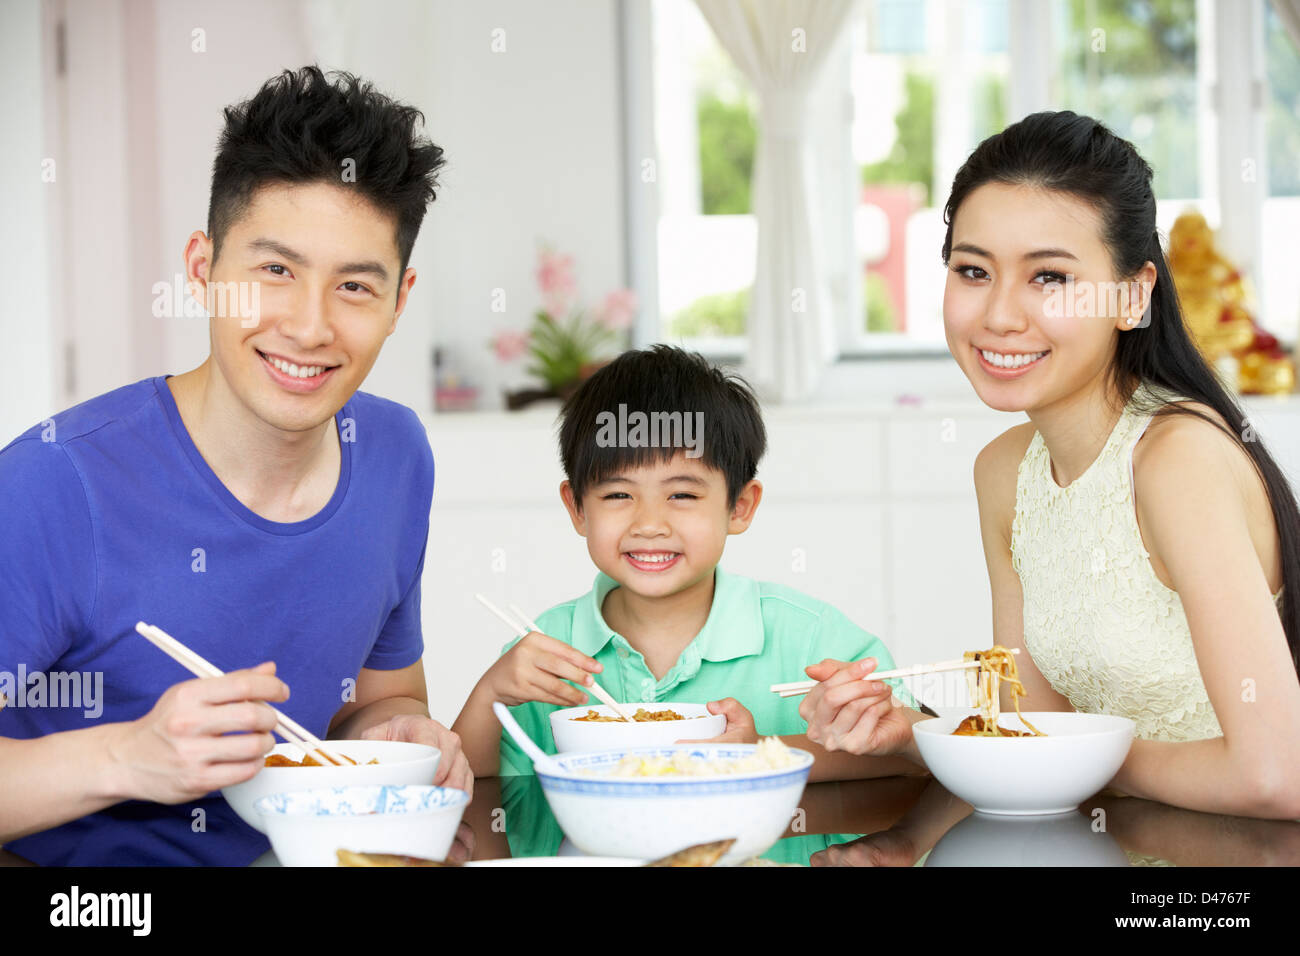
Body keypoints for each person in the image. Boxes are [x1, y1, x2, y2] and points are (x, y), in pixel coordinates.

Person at [0, 65, 472, 866]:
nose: (311, 326)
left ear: (399, 301)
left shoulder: (394, 456)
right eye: (275, 271)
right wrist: (128, 756)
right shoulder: (52, 485)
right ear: (203, 269)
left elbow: (381, 695)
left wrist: (392, 734)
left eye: (355, 285)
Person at [801, 110, 1300, 820]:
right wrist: (911, 736)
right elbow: (1033, 732)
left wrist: (1093, 761)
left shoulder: (1177, 458)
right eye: (973, 270)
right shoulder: (1004, 472)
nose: (1000, 314)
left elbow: (1276, 775)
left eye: (1049, 278)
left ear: (1132, 295)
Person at [451, 345, 921, 788]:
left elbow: (916, 754)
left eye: (682, 495)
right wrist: (490, 693)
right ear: (577, 508)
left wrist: (758, 755)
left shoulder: (811, 637)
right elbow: (474, 791)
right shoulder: (545, 652)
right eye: (618, 495)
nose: (650, 524)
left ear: (739, 506)